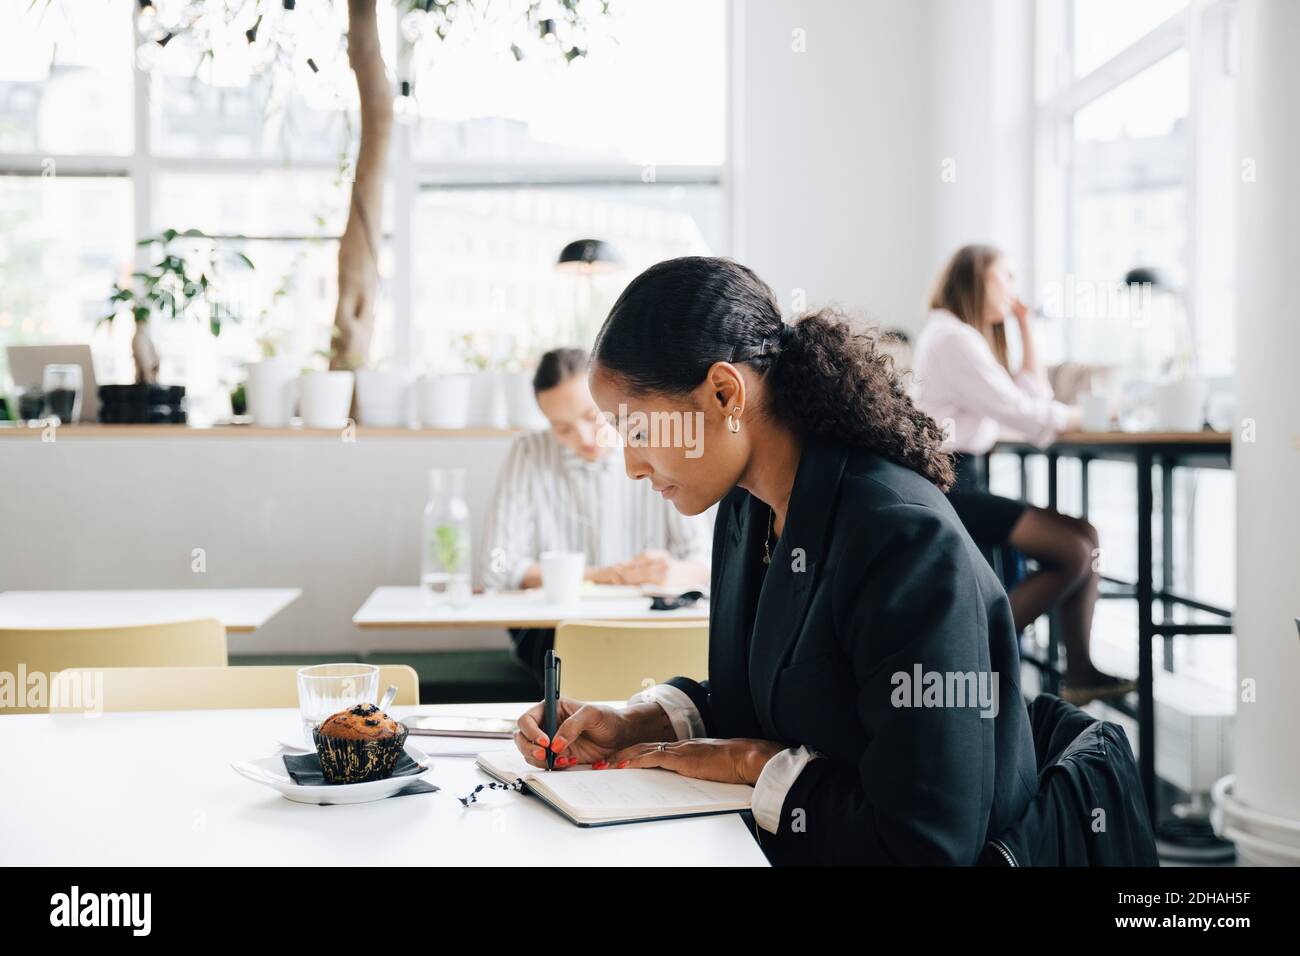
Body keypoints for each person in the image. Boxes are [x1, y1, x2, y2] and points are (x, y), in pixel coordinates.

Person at [511, 257, 1038, 865]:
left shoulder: (900, 539)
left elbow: (928, 841)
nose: (630, 465)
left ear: (723, 392)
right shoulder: (747, 509)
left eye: (635, 431)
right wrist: (640, 720)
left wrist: (752, 763)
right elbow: (772, 696)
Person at [912, 244, 1134, 704]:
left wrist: (1025, 327)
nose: (1013, 289)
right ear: (977, 280)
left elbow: (1028, 395)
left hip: (961, 478)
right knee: (1073, 552)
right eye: (1005, 278)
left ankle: (1080, 672)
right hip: (946, 485)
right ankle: (974, 649)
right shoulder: (953, 337)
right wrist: (1081, 416)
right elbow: (1024, 413)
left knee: (1084, 536)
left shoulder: (962, 335)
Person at [481, 347, 710, 680]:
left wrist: (672, 571)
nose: (584, 439)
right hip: (555, 634)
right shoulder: (529, 452)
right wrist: (603, 576)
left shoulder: (657, 441)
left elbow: (703, 560)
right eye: (562, 428)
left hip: (648, 626)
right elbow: (497, 566)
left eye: (591, 417)